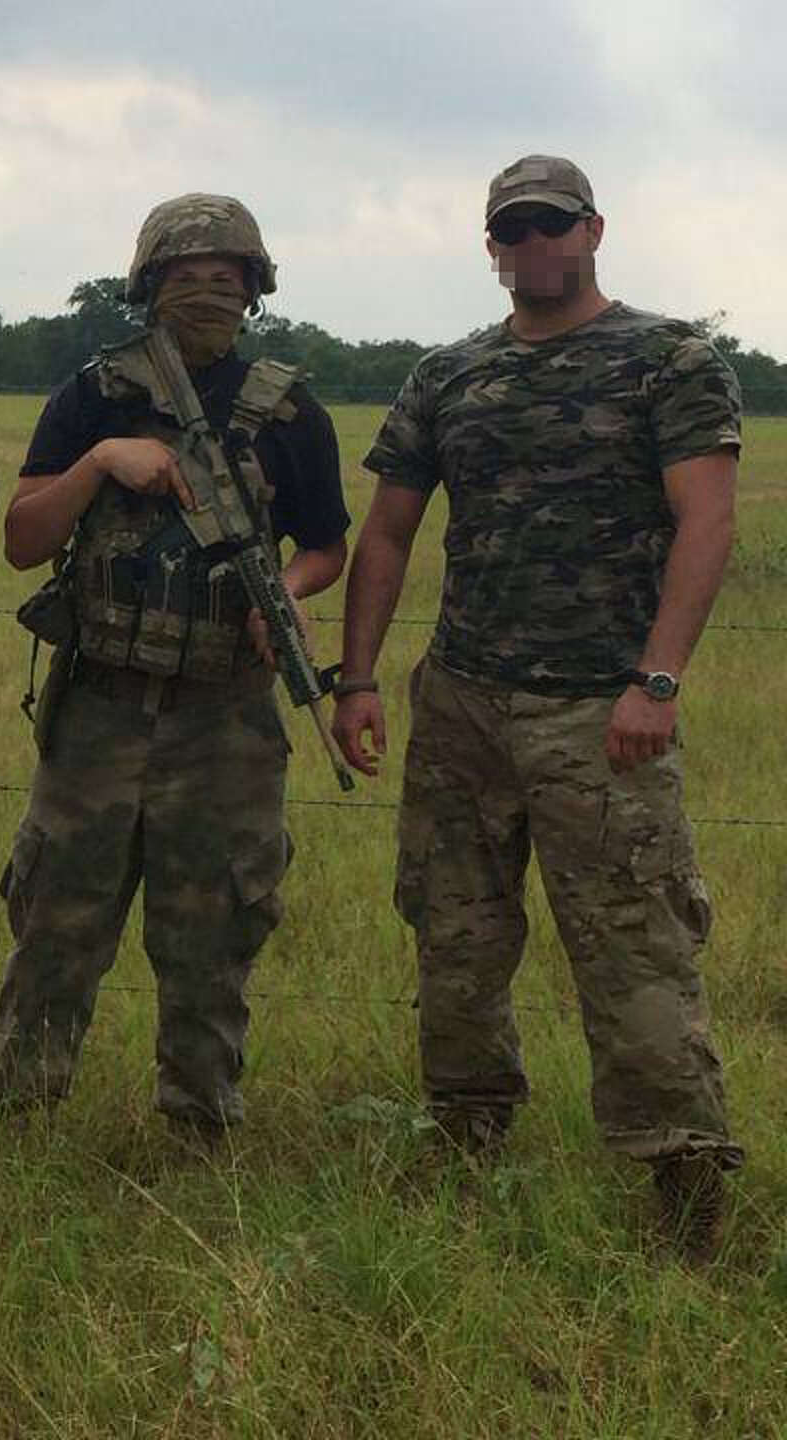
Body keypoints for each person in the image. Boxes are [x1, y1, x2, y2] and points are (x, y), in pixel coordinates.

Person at [333, 155, 743, 1257]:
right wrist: (361, 677)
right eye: (513, 230)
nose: (533, 247)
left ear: (594, 229)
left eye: (552, 226)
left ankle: (684, 1184)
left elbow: (704, 522)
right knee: (455, 938)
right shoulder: (447, 376)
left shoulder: (667, 360)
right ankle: (466, 1144)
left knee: (632, 947)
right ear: (492, 247)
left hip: (599, 710)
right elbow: (388, 532)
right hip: (463, 702)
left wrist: (656, 679)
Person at [0, 195, 349, 1142]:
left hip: (225, 718)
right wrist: (102, 462)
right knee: (57, 931)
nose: (206, 295)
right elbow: (23, 540)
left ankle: (200, 1133)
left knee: (213, 940)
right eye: (186, 279)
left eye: (226, 280)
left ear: (255, 291)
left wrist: (292, 593)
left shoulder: (291, 410)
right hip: (100, 710)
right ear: (147, 286)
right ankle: (21, 1131)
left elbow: (325, 545)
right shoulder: (92, 398)